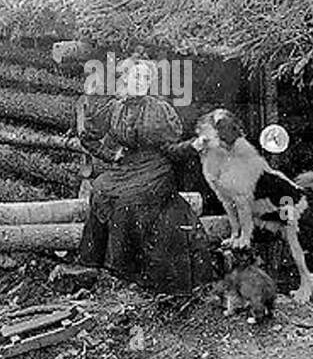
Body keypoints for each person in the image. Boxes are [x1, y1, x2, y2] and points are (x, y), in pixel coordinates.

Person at [55, 56, 218, 294]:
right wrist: (111, 154)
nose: (141, 81)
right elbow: (88, 136)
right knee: (101, 190)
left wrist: (193, 146)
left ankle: (124, 269)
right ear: (126, 79)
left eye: (146, 78)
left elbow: (170, 150)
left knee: (129, 201)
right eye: (137, 76)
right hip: (126, 168)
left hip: (156, 170)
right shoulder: (115, 108)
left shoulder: (159, 109)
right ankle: (97, 265)